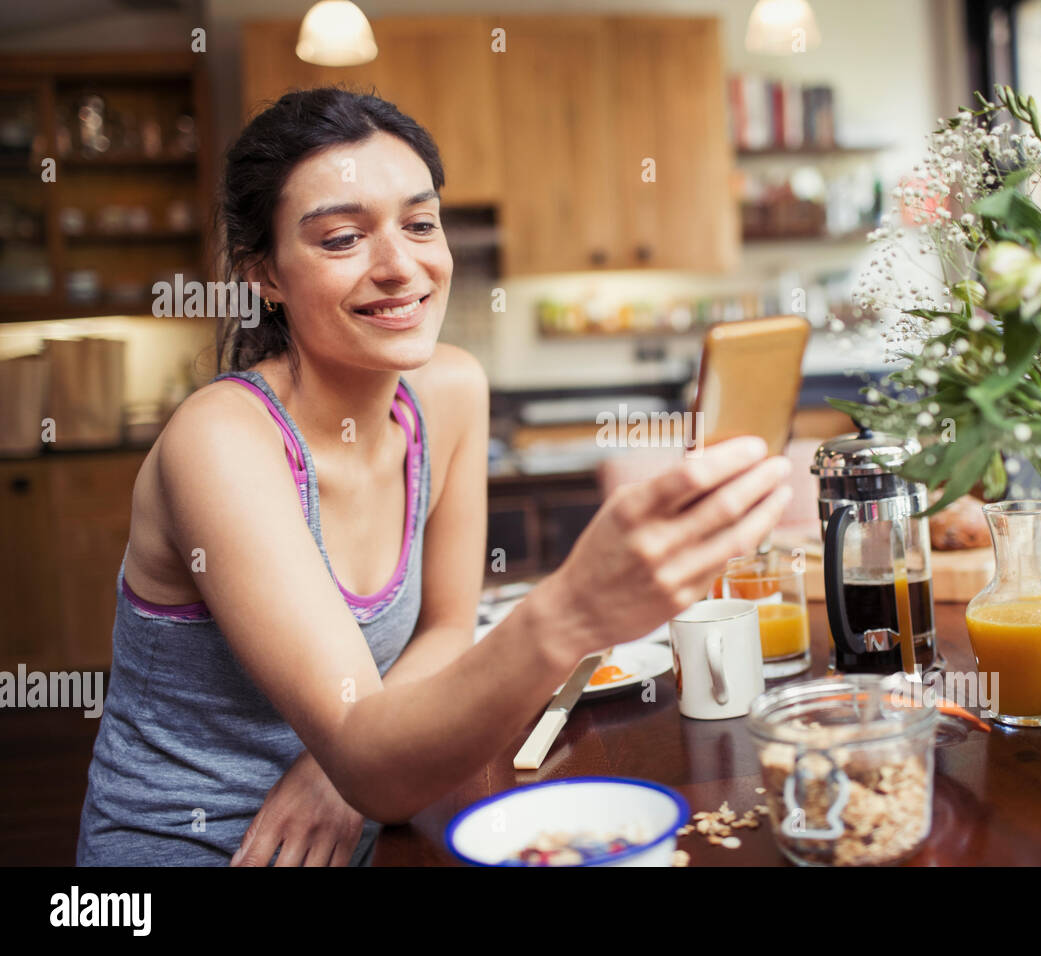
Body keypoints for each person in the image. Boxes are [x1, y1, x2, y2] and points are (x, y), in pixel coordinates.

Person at [76, 88, 792, 866]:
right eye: (344, 237)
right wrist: (571, 610)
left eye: (420, 224)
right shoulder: (219, 442)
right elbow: (372, 760)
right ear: (265, 275)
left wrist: (337, 763)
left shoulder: (449, 390)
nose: (400, 267)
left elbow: (447, 628)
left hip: (377, 823)